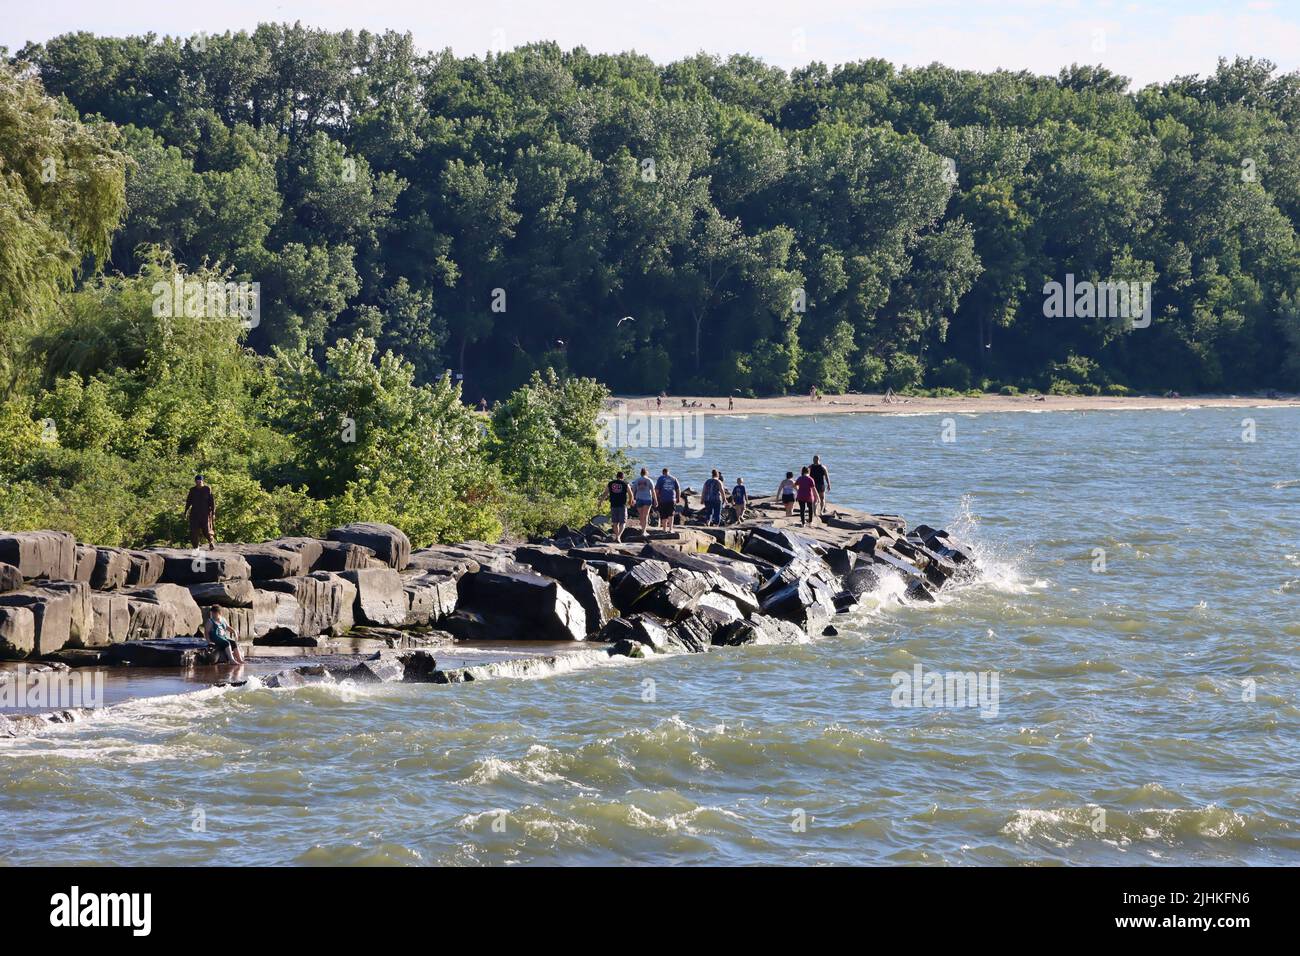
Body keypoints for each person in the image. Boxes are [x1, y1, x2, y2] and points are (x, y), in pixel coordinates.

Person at [183, 474, 216, 549]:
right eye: (197, 481)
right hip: (194, 514)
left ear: (202, 481)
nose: (198, 483)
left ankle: (211, 542)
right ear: (195, 482)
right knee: (194, 531)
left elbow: (212, 502)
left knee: (207, 531)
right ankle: (196, 547)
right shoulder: (192, 490)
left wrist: (213, 513)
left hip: (205, 514)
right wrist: (185, 511)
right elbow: (188, 502)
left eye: (200, 481)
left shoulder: (207, 489)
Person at [600, 471, 630, 542]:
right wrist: (630, 501)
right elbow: (630, 493)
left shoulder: (610, 483)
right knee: (623, 522)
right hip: (622, 504)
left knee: (615, 522)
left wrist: (600, 501)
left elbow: (605, 493)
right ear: (623, 477)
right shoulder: (625, 483)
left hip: (613, 504)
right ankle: (619, 536)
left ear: (617, 476)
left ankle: (617, 535)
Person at [630, 467, 656, 533]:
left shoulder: (637, 480)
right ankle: (644, 531)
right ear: (647, 473)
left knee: (641, 515)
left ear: (640, 473)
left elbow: (633, 491)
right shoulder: (649, 480)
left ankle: (642, 529)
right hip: (647, 499)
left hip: (639, 499)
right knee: (645, 515)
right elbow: (653, 491)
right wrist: (655, 500)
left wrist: (632, 500)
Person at [655, 467, 681, 531]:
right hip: (672, 499)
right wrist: (678, 498)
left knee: (663, 515)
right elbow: (678, 489)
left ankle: (664, 529)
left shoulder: (660, 478)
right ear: (668, 472)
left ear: (663, 472)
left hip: (663, 500)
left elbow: (657, 490)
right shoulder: (674, 478)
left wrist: (657, 498)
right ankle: (670, 529)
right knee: (671, 514)